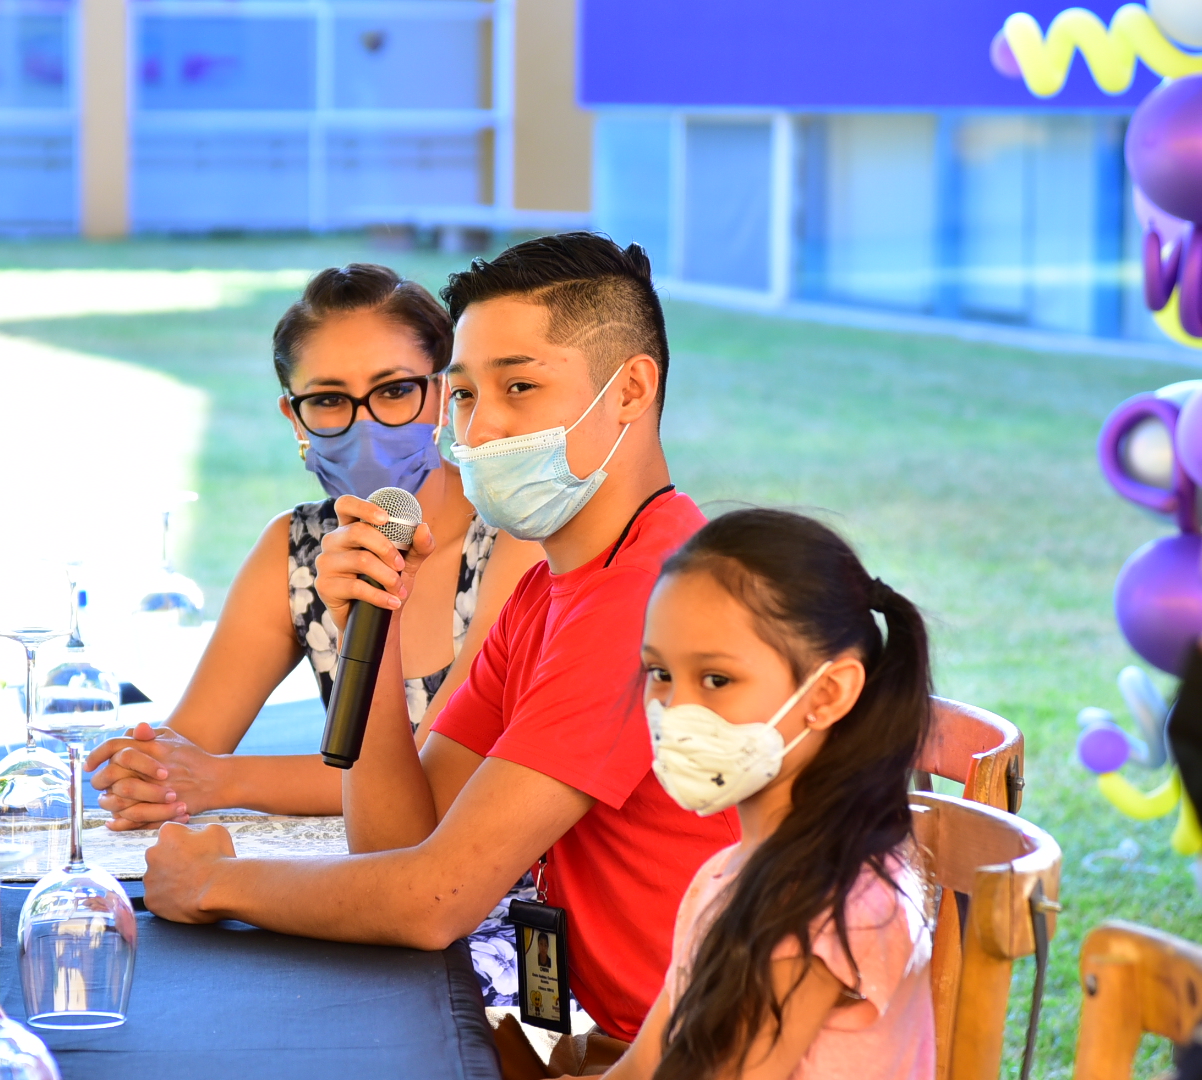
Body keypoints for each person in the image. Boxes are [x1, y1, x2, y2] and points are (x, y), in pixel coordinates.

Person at [133, 232, 738, 1049]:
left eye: (519, 387)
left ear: (630, 389)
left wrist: (215, 883)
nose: (478, 431)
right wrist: (367, 637)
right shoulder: (550, 587)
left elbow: (433, 900)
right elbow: (394, 842)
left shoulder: (644, 599)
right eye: (461, 396)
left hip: (699, 1057)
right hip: (622, 1041)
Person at [86, 263, 543, 1005]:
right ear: (295, 420)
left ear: (446, 395)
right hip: (358, 902)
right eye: (329, 400)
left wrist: (223, 779)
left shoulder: (517, 543)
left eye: (395, 391)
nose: (365, 425)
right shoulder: (295, 548)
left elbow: (429, 784)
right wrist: (151, 772)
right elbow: (185, 747)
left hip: (480, 923)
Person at [602, 508, 935, 1079]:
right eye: (659, 673)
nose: (674, 711)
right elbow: (642, 1068)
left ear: (827, 693)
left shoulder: (839, 909)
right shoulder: (725, 875)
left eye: (716, 680)